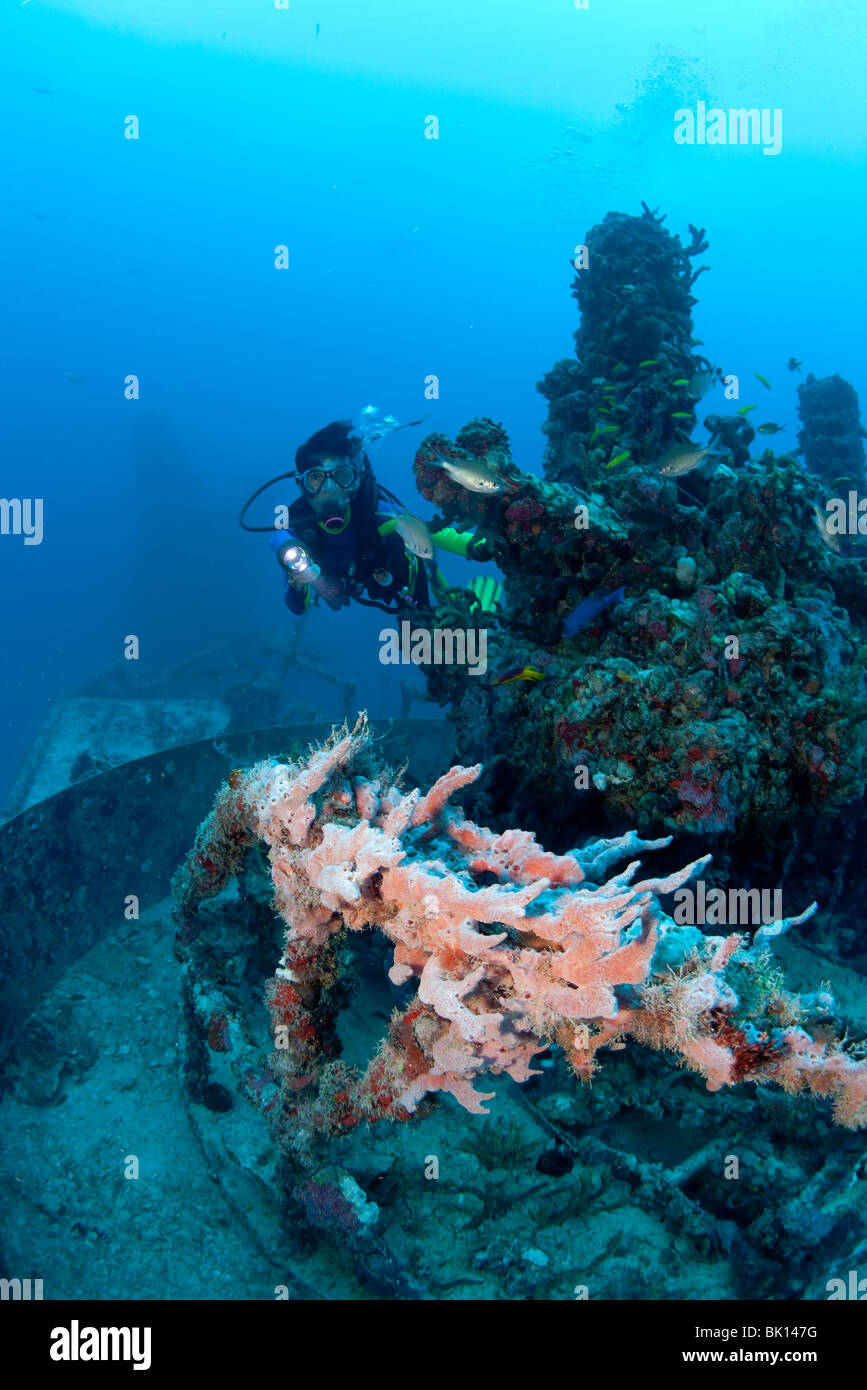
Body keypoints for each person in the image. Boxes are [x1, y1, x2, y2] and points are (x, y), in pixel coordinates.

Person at [246, 420, 495, 617]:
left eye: (341, 475)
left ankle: (453, 606)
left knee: (418, 621)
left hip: (399, 587)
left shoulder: (377, 514)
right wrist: (296, 580)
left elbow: (433, 533)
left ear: (354, 481)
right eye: (316, 478)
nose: (329, 490)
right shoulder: (296, 536)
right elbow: (297, 607)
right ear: (302, 485)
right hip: (350, 583)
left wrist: (488, 546)